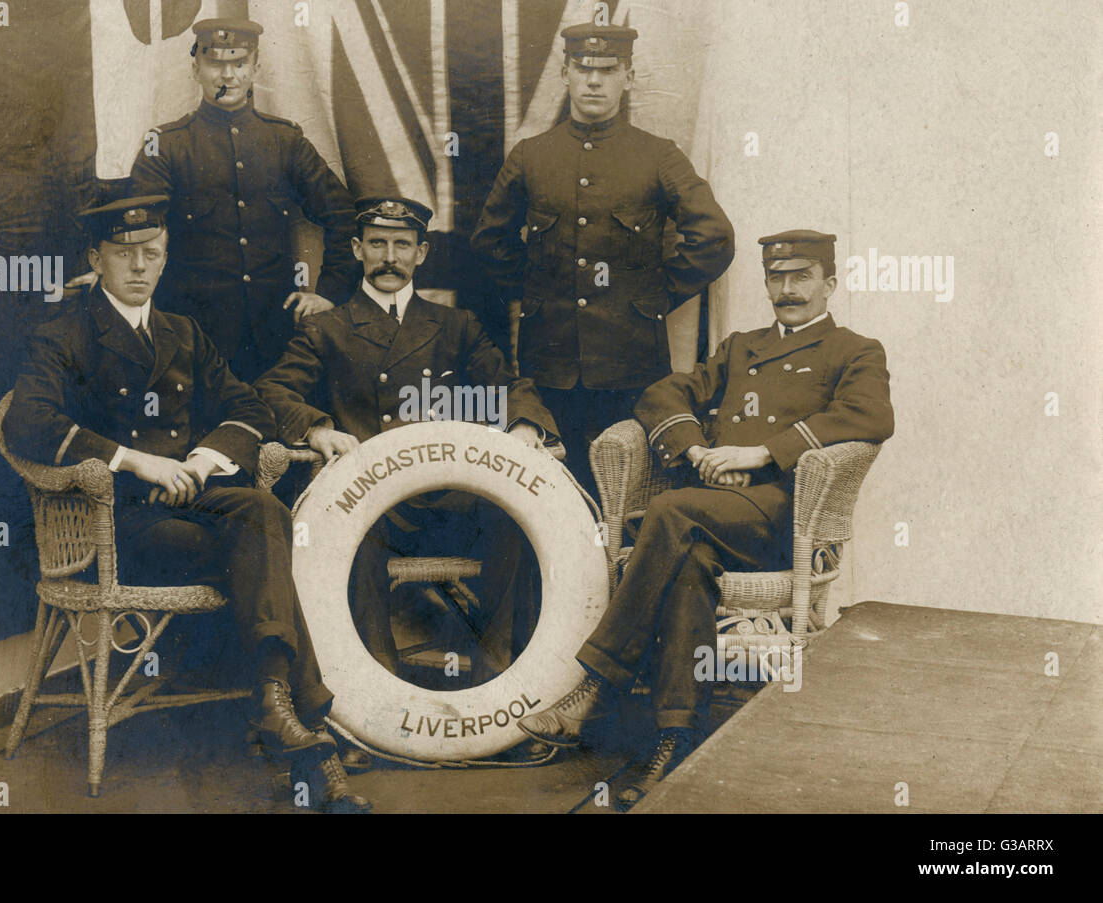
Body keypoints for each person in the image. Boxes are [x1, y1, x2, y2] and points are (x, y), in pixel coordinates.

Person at [3, 195, 370, 813]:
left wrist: (202, 460)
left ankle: (279, 703)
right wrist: (134, 460)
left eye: (152, 253)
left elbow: (248, 406)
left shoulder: (181, 332)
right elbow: (28, 421)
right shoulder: (64, 334)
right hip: (116, 524)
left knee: (264, 514)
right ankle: (308, 738)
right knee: (260, 543)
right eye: (124, 254)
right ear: (97, 258)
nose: (139, 267)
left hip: (191, 503)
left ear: (166, 258)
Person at [517, 230, 894, 809]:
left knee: (669, 511)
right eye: (777, 277)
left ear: (830, 284)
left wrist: (762, 453)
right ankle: (674, 740)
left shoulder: (854, 349)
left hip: (781, 518)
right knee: (688, 563)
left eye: (801, 277)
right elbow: (665, 392)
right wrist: (695, 452)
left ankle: (597, 685)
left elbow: (869, 414)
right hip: (708, 518)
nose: (787, 290)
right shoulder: (741, 346)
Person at [255, 197, 559, 754]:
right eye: (376, 243)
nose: (388, 257)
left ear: (420, 253)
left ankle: (496, 698)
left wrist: (522, 427)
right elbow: (271, 392)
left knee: (512, 524)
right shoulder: (328, 329)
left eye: (401, 245)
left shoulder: (455, 326)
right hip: (376, 509)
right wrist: (318, 428)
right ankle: (372, 709)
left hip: (450, 504)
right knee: (355, 542)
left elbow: (510, 384)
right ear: (356, 250)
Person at [470, 23, 735, 492]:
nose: (594, 81)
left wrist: (650, 297)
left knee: (632, 495)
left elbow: (713, 237)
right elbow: (490, 241)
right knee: (551, 493)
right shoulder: (533, 155)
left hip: (632, 365)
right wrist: (541, 294)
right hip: (548, 364)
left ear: (628, 77)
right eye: (583, 69)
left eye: (608, 71)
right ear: (565, 73)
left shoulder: (657, 156)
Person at [128, 17, 359, 382]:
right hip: (191, 338)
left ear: (255, 69)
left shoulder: (285, 141)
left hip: (276, 336)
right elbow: (137, 234)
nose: (228, 76)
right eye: (215, 63)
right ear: (196, 69)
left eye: (238, 63)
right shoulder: (167, 146)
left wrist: (329, 292)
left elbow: (343, 215)